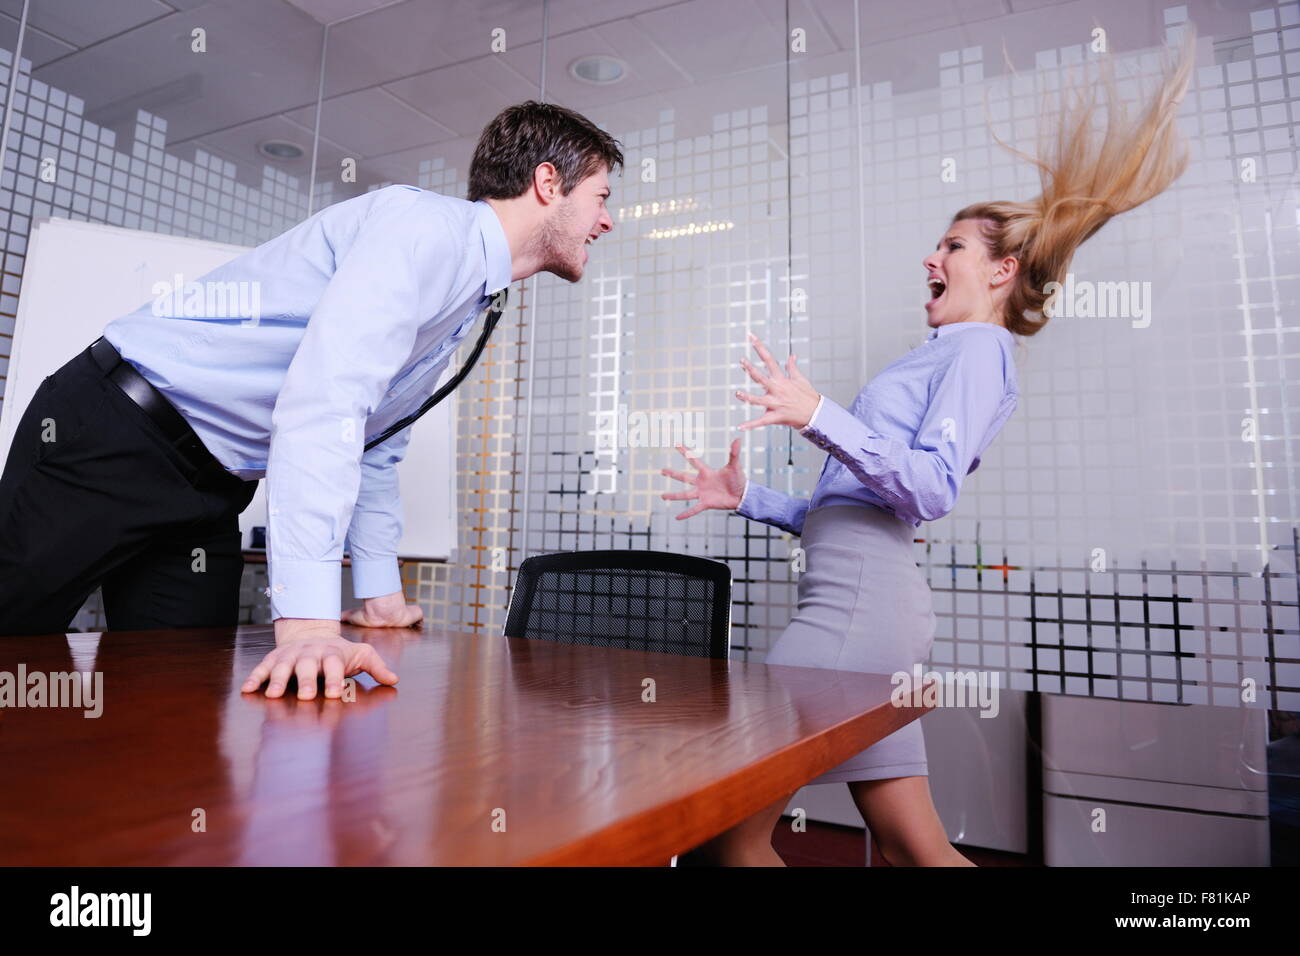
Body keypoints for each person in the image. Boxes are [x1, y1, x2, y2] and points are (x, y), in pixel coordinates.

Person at [661, 35, 1196, 865]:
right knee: (918, 848)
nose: (931, 257)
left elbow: (932, 489)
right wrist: (748, 500)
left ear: (1002, 270)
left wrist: (819, 414)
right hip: (862, 606)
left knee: (727, 842)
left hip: (855, 618)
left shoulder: (981, 351)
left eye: (951, 246)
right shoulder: (943, 353)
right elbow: (851, 510)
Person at [0, 101, 622, 703]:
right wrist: (307, 627)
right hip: (113, 432)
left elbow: (374, 447)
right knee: (13, 651)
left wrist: (379, 594)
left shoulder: (468, 294)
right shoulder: (424, 231)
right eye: (601, 197)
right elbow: (323, 404)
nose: (606, 221)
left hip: (207, 490)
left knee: (179, 704)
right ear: (548, 182)